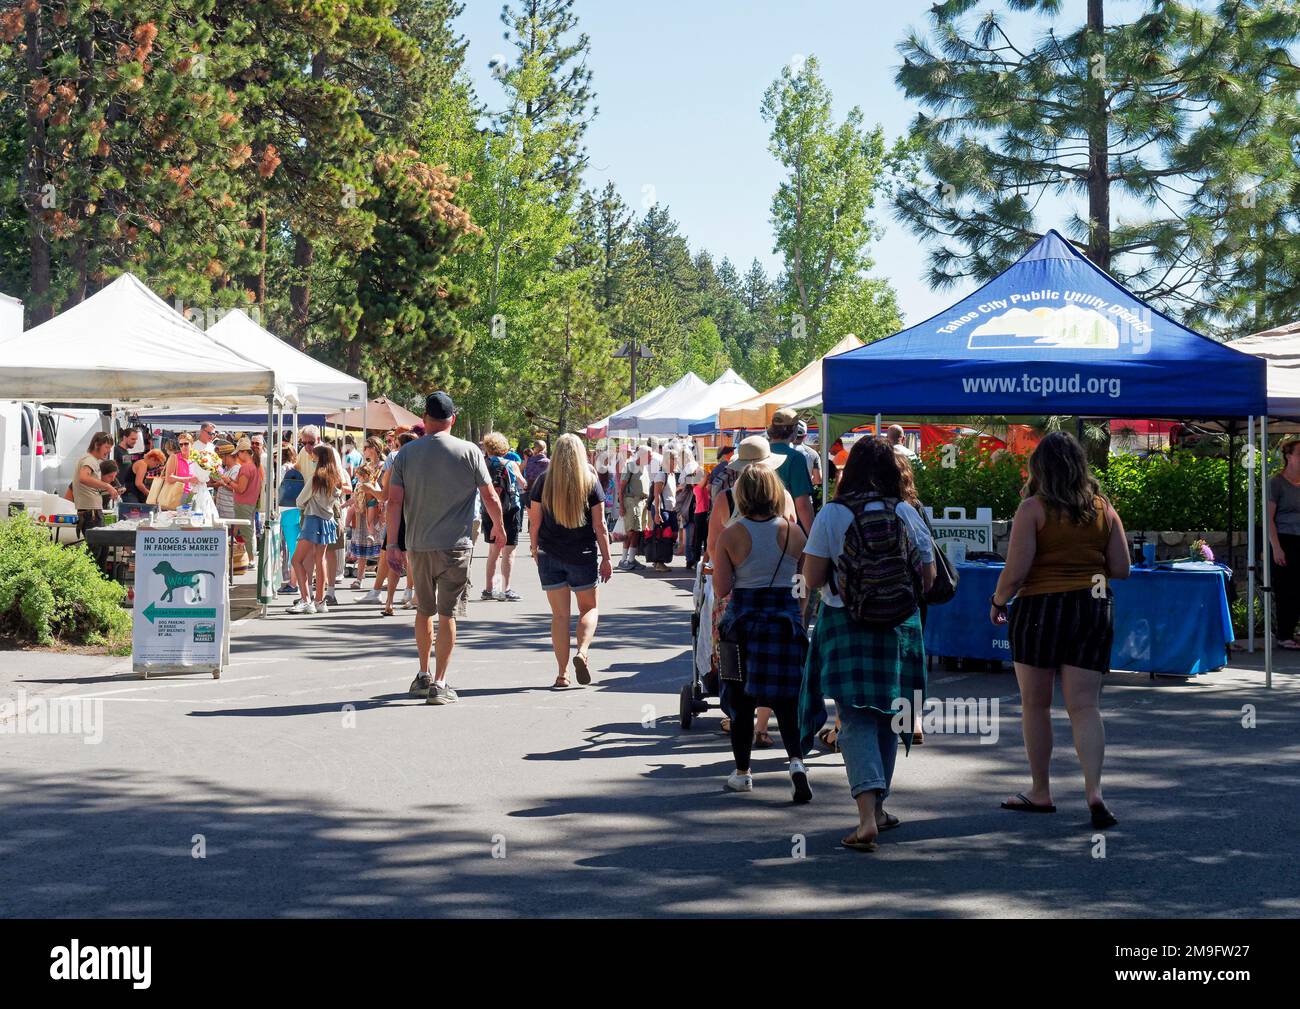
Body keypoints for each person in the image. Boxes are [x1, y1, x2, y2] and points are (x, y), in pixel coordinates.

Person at [799, 436, 936, 853]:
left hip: (846, 622)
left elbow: (813, 578)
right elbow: (928, 578)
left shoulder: (832, 514)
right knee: (890, 715)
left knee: (855, 715)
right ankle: (877, 810)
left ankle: (865, 819)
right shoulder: (907, 512)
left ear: (850, 470)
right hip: (900, 625)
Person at [990, 431, 1129, 830]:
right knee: (1085, 707)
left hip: (1041, 608)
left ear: (1039, 468)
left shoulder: (1032, 509)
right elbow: (1122, 568)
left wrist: (998, 603)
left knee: (1036, 704)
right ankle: (1094, 791)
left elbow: (1015, 572)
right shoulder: (1104, 508)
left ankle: (1041, 791)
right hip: (1093, 606)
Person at [387, 392, 506, 705]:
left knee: (424, 609)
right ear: (453, 419)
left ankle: (423, 673)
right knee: (448, 613)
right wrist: (500, 528)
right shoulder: (469, 452)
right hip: (455, 545)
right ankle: (440, 682)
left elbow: (394, 501)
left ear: (425, 420)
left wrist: (391, 544)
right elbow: (491, 496)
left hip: (418, 545)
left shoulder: (406, 454)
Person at [713, 463, 809, 799]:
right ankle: (796, 762)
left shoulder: (731, 534)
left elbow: (723, 589)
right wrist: (794, 616)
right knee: (786, 701)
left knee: (740, 704)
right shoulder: (794, 532)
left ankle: (743, 773)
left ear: (741, 494)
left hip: (741, 625)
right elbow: (802, 586)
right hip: (783, 624)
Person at [528, 433, 613, 688]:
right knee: (588, 608)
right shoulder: (589, 482)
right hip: (582, 555)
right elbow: (600, 526)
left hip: (549, 554)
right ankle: (582, 652)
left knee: (559, 616)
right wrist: (607, 558)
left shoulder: (543, 481)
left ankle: (562, 673)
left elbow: (534, 521)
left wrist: (534, 548)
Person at [288, 444, 345, 614]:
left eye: (314, 457)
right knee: (321, 561)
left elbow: (299, 500)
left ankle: (306, 600)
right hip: (327, 521)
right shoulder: (335, 478)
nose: (312, 459)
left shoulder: (315, 478)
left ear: (319, 459)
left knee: (297, 560)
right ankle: (320, 600)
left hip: (313, 519)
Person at [481, 432, 527, 601]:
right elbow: (523, 484)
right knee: (508, 551)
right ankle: (505, 589)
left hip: (489, 511)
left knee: (493, 551)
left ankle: (488, 589)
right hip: (510, 511)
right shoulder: (511, 463)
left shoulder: (482, 464)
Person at [1269, 437, 1300, 648]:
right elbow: (1269, 518)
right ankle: (1284, 635)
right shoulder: (1276, 482)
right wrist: (1276, 547)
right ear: (1289, 456)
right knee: (1287, 588)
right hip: (1286, 539)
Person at [766, 408, 815, 532]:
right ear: (794, 429)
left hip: (753, 527)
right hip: (785, 529)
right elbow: (802, 504)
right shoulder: (795, 458)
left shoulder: (757, 453)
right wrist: (813, 537)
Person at [349, 437, 387, 591]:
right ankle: (359, 577)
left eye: (366, 447)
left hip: (377, 507)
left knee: (379, 543)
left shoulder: (383, 466)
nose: (363, 451)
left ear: (374, 448)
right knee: (363, 541)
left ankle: (382, 576)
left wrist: (383, 511)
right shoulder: (365, 465)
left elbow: (385, 489)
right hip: (362, 508)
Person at [618, 444, 653, 571]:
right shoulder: (630, 466)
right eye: (650, 456)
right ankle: (623, 560)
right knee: (630, 531)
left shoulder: (644, 468)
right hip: (631, 502)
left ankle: (631, 559)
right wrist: (621, 505)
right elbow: (621, 487)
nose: (651, 458)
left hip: (641, 503)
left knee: (637, 531)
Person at [229, 438, 263, 564]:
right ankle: (248, 558)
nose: (237, 455)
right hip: (250, 503)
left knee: (246, 533)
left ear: (244, 452)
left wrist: (228, 481)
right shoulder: (253, 466)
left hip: (244, 504)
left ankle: (251, 560)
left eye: (238, 453)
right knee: (245, 531)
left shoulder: (246, 468)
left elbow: (240, 489)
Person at [649, 446, 678, 572]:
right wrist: (657, 514)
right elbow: (657, 495)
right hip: (662, 510)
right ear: (668, 460)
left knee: (671, 536)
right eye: (674, 459)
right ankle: (659, 562)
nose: (676, 461)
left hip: (670, 511)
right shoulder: (661, 475)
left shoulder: (671, 475)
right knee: (662, 537)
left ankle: (660, 561)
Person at [793, 420, 822, 488]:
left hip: (785, 494)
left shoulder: (783, 450)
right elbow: (818, 480)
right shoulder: (813, 454)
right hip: (804, 493)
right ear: (805, 436)